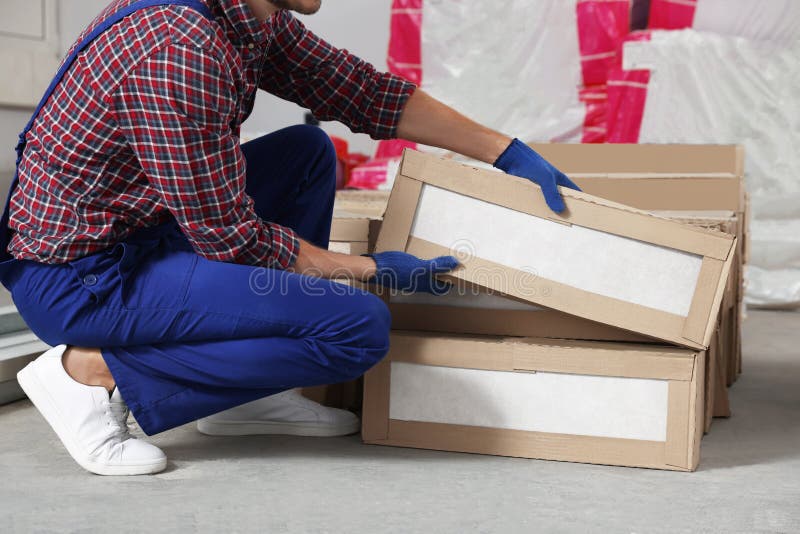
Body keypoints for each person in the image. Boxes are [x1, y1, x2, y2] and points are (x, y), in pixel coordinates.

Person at [2, 0, 579, 476]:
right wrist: (368, 268)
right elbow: (230, 239)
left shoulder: (243, 18)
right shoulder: (179, 47)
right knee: (355, 327)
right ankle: (88, 371)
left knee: (306, 154)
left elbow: (361, 92)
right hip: (85, 281)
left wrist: (505, 151)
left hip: (141, 235)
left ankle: (246, 398)